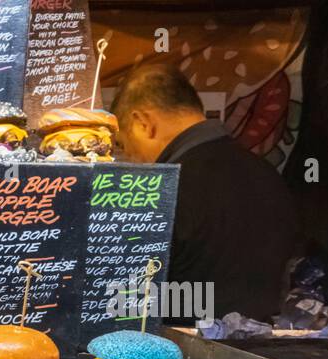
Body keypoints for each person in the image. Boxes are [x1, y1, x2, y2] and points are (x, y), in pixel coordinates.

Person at [112, 63, 300, 324]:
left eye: (123, 143)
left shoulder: (161, 190)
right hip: (260, 347)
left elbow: (130, 300)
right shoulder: (267, 174)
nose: (130, 157)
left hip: (177, 354)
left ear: (143, 123)